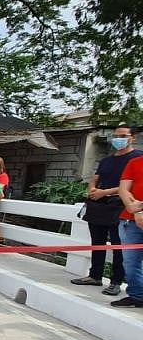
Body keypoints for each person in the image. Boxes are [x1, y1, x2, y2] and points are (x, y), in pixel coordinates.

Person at [72, 125, 141, 296]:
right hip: (99, 205)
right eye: (116, 135)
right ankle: (95, 275)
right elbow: (95, 178)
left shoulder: (137, 158)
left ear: (133, 138)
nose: (119, 139)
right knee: (97, 242)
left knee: (119, 245)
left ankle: (116, 281)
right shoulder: (107, 160)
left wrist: (105, 192)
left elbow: (128, 186)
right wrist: (93, 189)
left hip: (120, 206)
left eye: (123, 135)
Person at [114, 133, 143, 309]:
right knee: (131, 262)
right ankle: (137, 296)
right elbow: (124, 189)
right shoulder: (135, 163)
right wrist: (133, 208)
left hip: (138, 213)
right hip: (129, 222)